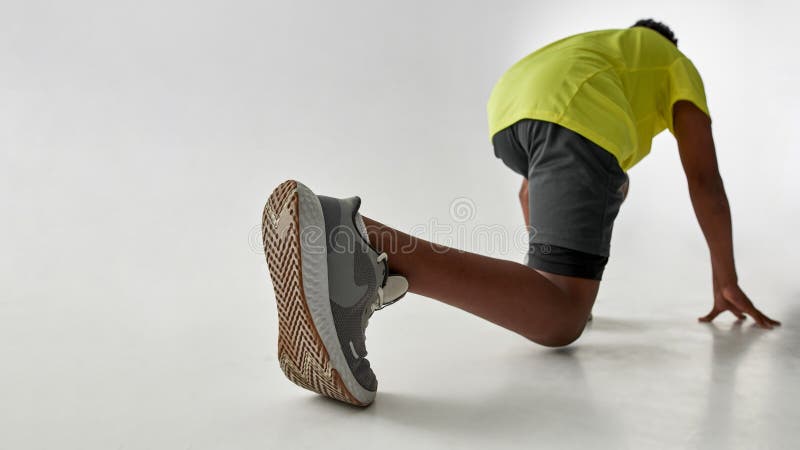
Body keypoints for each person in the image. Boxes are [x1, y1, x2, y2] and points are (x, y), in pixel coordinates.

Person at [261, 19, 780, 407]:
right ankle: (360, 246)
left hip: (512, 112)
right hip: (579, 117)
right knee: (561, 320)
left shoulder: (605, 49)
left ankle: (350, 255)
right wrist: (726, 278)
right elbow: (704, 178)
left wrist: (548, 276)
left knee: (593, 217)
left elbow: (531, 193)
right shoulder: (672, 61)